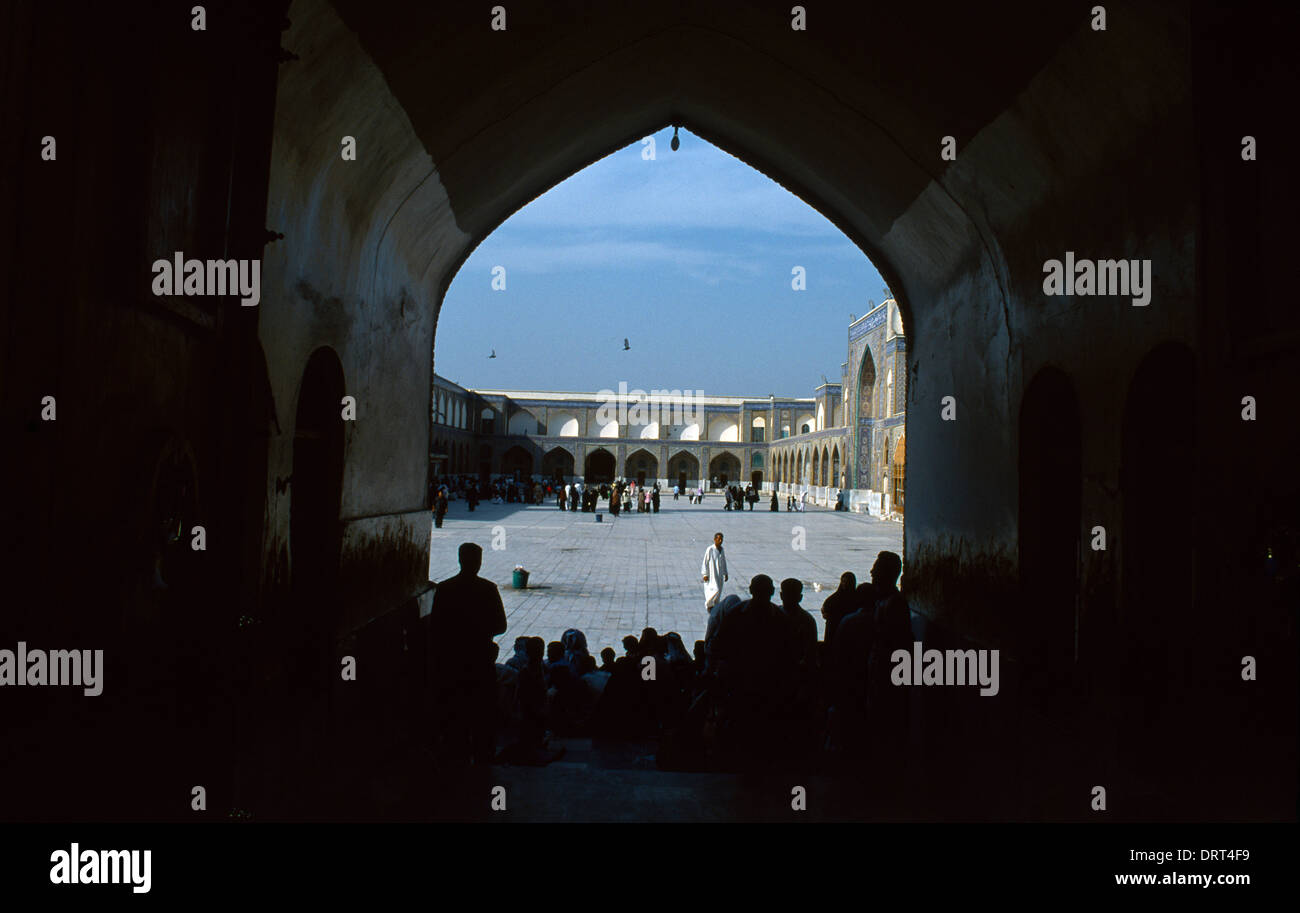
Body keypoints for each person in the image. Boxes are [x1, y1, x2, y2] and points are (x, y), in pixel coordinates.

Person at [428, 543, 507, 766]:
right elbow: (500, 625)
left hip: (453, 664)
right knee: (482, 718)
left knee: (456, 719)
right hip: (480, 662)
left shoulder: (445, 588)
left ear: (459, 560)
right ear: (479, 562)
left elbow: (436, 628)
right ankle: (482, 767)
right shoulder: (488, 589)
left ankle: (456, 769)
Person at [820, 571, 858, 650]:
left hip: (845, 631)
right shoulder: (855, 597)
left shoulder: (854, 598)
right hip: (833, 629)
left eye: (847, 582)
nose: (845, 584)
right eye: (843, 582)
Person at [700, 532, 728, 612]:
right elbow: (705, 562)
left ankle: (715, 606)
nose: (720, 540)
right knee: (714, 589)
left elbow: (724, 561)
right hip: (711, 574)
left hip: (719, 574)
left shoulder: (722, 550)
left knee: (719, 590)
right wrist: (705, 574)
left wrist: (725, 573)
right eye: (718, 539)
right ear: (715, 539)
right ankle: (708, 604)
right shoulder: (710, 549)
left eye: (721, 539)